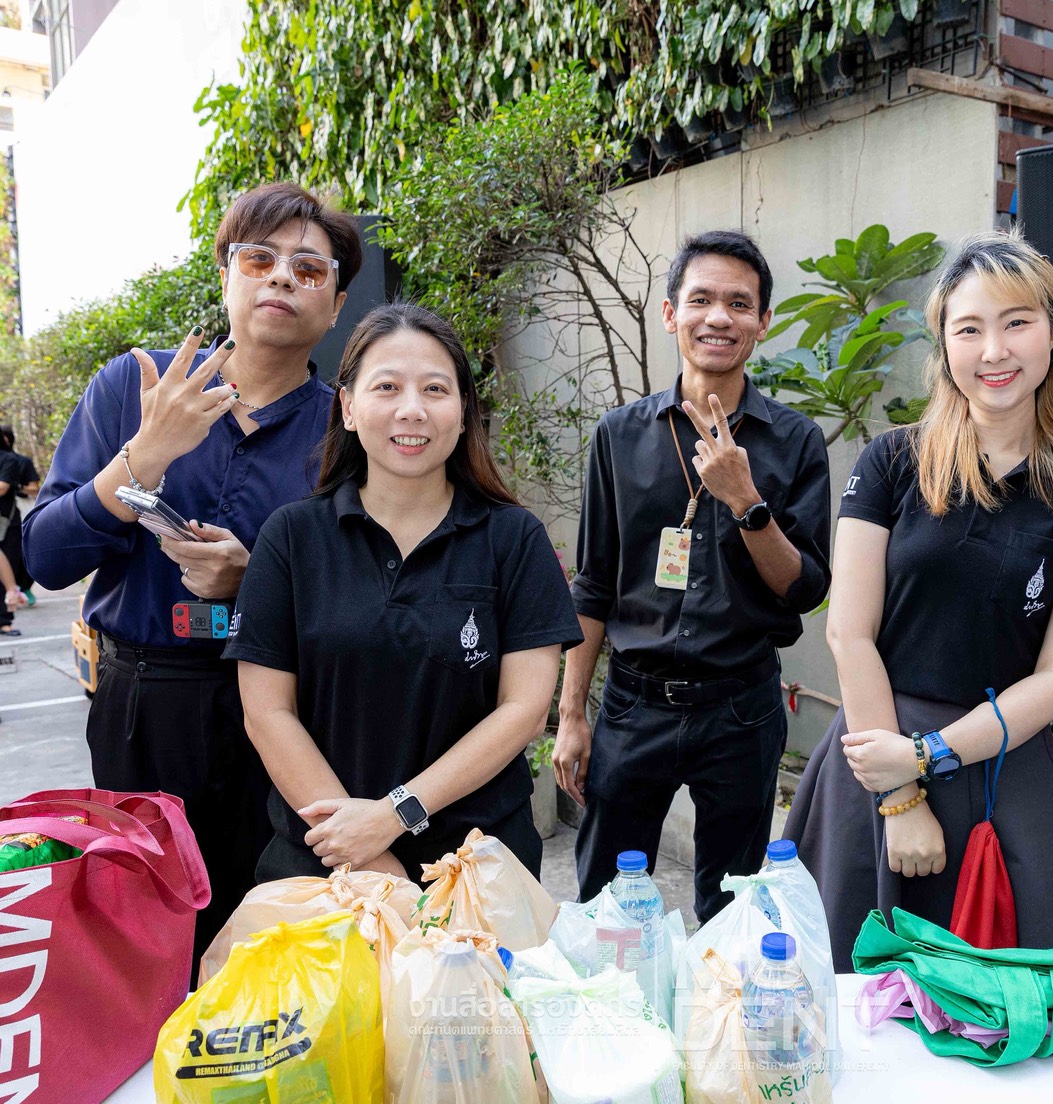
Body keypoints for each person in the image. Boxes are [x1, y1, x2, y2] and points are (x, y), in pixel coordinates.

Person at [23, 182, 362, 965]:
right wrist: (143, 458)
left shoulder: (345, 425)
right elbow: (42, 556)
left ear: (336, 303)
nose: (281, 278)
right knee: (141, 927)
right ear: (225, 276)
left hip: (283, 708)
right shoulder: (131, 388)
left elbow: (365, 587)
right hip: (142, 703)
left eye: (309, 270)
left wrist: (259, 582)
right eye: (260, 258)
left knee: (268, 929)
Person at [785, 230, 1053, 970]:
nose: (994, 350)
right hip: (875, 756)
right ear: (944, 346)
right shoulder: (891, 461)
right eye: (969, 329)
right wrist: (901, 795)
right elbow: (849, 633)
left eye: (1016, 323)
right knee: (855, 1003)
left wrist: (932, 755)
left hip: (1008, 765)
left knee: (1017, 1009)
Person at [226, 303, 581, 881]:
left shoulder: (514, 539)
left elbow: (522, 708)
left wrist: (394, 815)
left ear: (464, 413)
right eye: (386, 386)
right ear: (347, 407)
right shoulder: (291, 537)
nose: (411, 410)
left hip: (478, 865)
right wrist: (370, 859)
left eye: (435, 389)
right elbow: (267, 712)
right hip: (325, 862)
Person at [555, 229, 832, 922]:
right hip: (633, 702)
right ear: (670, 313)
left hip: (742, 704)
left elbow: (803, 588)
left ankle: (717, 1029)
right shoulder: (619, 435)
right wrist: (569, 716)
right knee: (606, 906)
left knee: (734, 910)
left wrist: (746, 502)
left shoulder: (794, 440)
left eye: (739, 304)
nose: (719, 317)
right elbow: (592, 583)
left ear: (762, 322)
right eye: (701, 299)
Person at [0, 427, 41, 608]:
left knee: (24, 553)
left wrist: (16, 487)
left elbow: (34, 488)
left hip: (20, 512)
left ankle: (22, 588)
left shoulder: (19, 461)